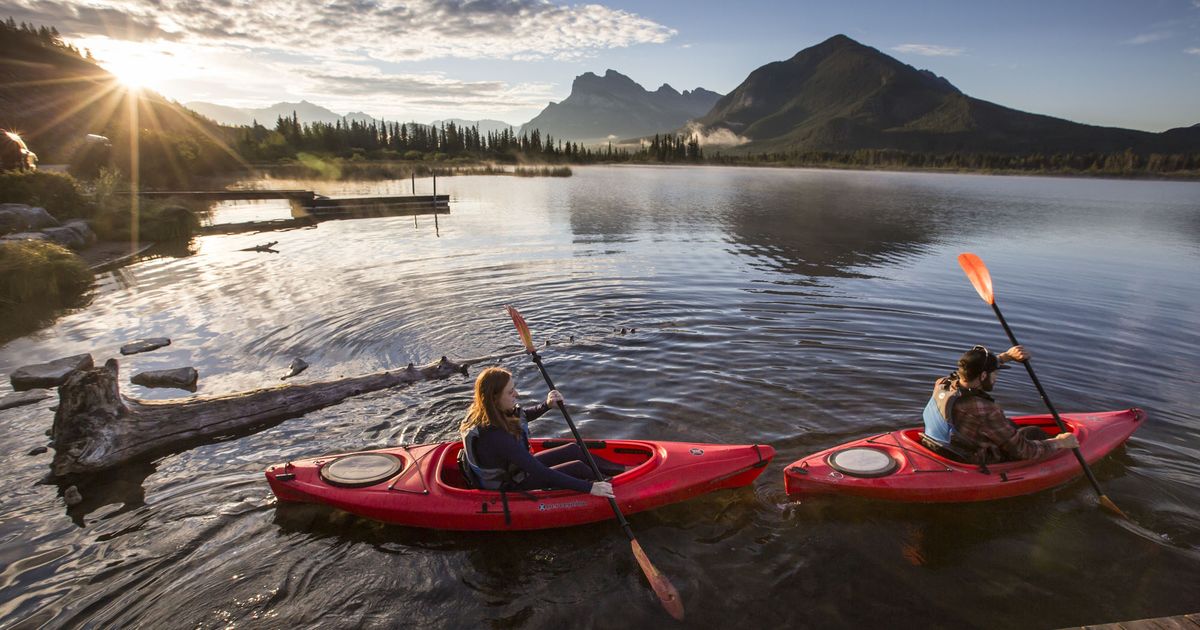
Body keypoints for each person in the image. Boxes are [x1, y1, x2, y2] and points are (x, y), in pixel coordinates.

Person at [458, 367, 617, 497]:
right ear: (494, 398)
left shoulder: (489, 411)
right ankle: (612, 486)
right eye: (510, 391)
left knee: (573, 450)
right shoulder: (495, 436)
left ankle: (622, 471)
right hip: (509, 484)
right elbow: (540, 472)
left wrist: (546, 405)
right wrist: (589, 488)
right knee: (577, 468)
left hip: (515, 470)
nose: (517, 394)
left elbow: (522, 416)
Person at [921, 345, 1078, 463]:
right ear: (983, 375)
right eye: (994, 373)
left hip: (940, 444)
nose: (996, 377)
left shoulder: (942, 384)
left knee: (1009, 424)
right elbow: (1023, 451)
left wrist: (1006, 356)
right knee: (1034, 433)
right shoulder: (985, 409)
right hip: (970, 457)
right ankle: (1060, 456)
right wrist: (1058, 442)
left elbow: (969, 367)